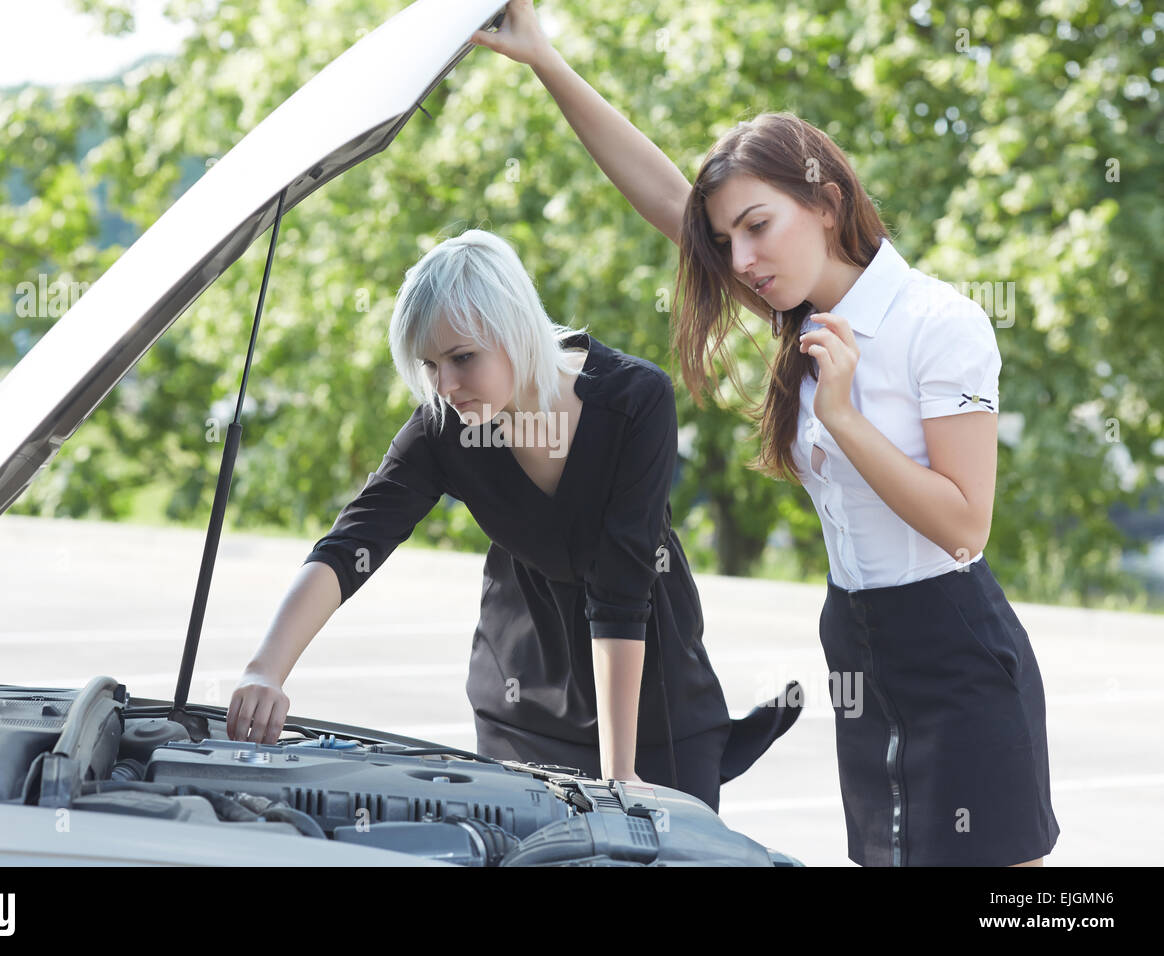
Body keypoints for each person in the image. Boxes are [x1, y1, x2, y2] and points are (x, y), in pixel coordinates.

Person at [470, 0, 1059, 866]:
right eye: (726, 240)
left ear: (824, 202)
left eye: (758, 227)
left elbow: (966, 524)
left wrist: (846, 419)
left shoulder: (943, 321)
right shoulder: (805, 317)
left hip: (954, 652)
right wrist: (549, 64)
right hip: (857, 644)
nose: (740, 260)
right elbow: (669, 198)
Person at [226, 228, 800, 812]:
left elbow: (622, 588)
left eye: (462, 358)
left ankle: (723, 741)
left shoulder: (634, 399)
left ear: (514, 330)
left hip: (653, 697)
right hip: (523, 701)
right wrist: (264, 670)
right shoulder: (443, 428)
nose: (445, 385)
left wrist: (619, 772)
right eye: (429, 365)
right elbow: (353, 543)